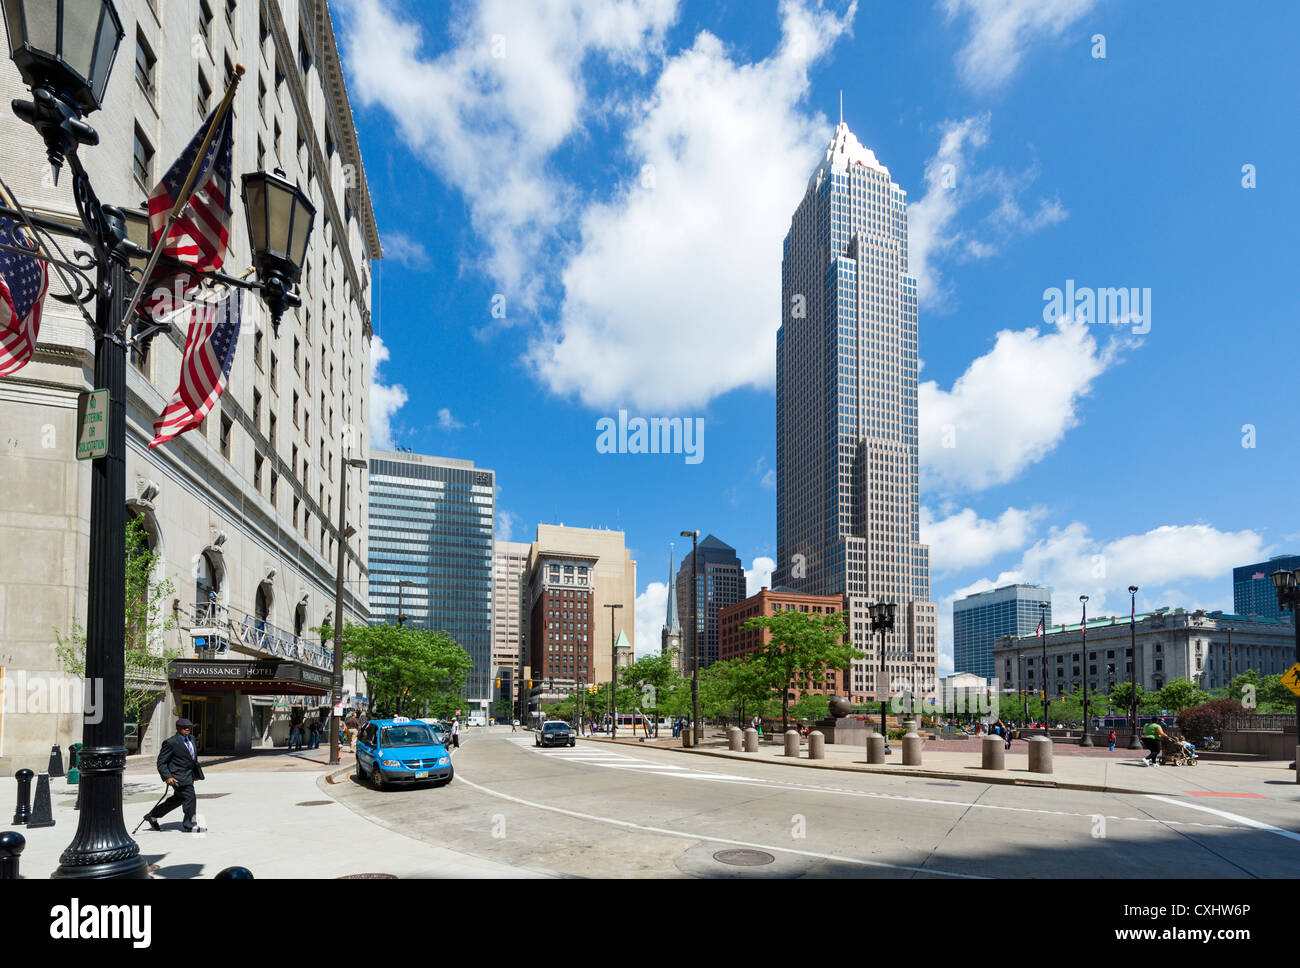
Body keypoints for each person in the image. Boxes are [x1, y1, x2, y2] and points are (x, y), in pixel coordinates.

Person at [143, 717, 206, 833]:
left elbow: (192, 758)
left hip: (189, 775)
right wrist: (167, 777)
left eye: (189, 727)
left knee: (178, 799)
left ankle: (152, 816)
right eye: (184, 728)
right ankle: (190, 825)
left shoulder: (192, 739)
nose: (187, 729)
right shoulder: (171, 742)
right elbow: (161, 762)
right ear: (178, 728)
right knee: (190, 798)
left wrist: (195, 774)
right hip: (178, 777)